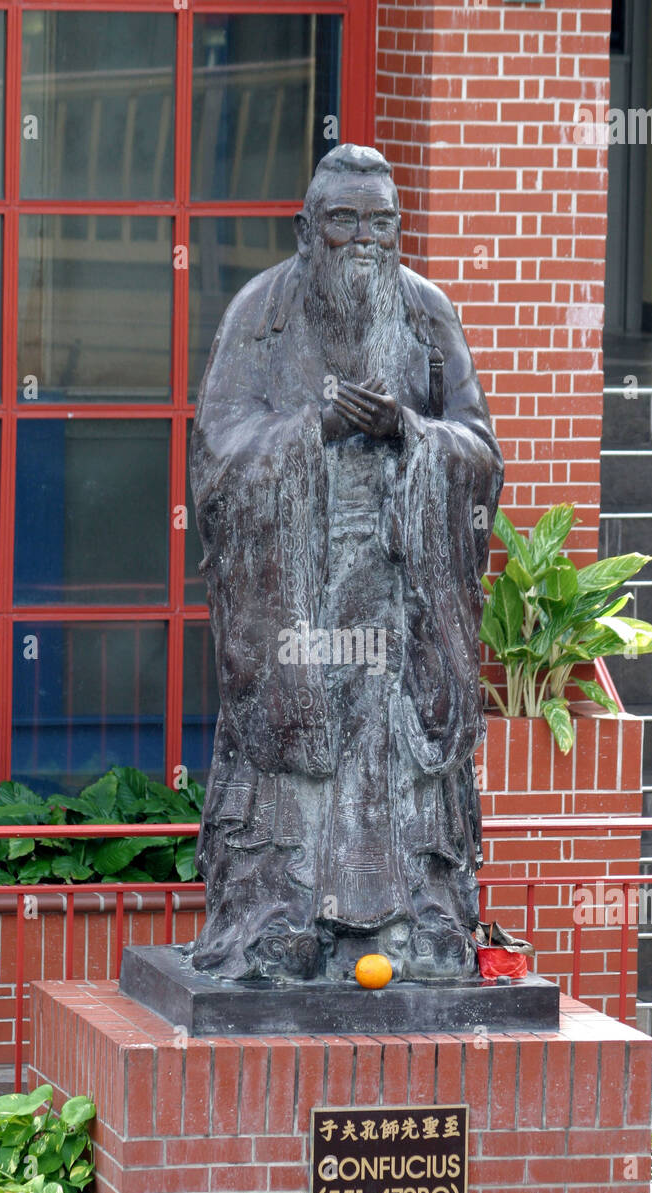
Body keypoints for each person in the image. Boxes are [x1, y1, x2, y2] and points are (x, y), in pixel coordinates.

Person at [188, 144, 504, 982]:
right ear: (305, 228)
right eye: (343, 221)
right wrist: (311, 434)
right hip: (294, 591)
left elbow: (479, 448)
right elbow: (217, 456)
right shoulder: (260, 318)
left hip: (404, 587)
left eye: (382, 223)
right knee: (297, 742)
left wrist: (412, 434)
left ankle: (416, 917)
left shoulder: (428, 317)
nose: (365, 240)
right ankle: (279, 914)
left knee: (399, 741)